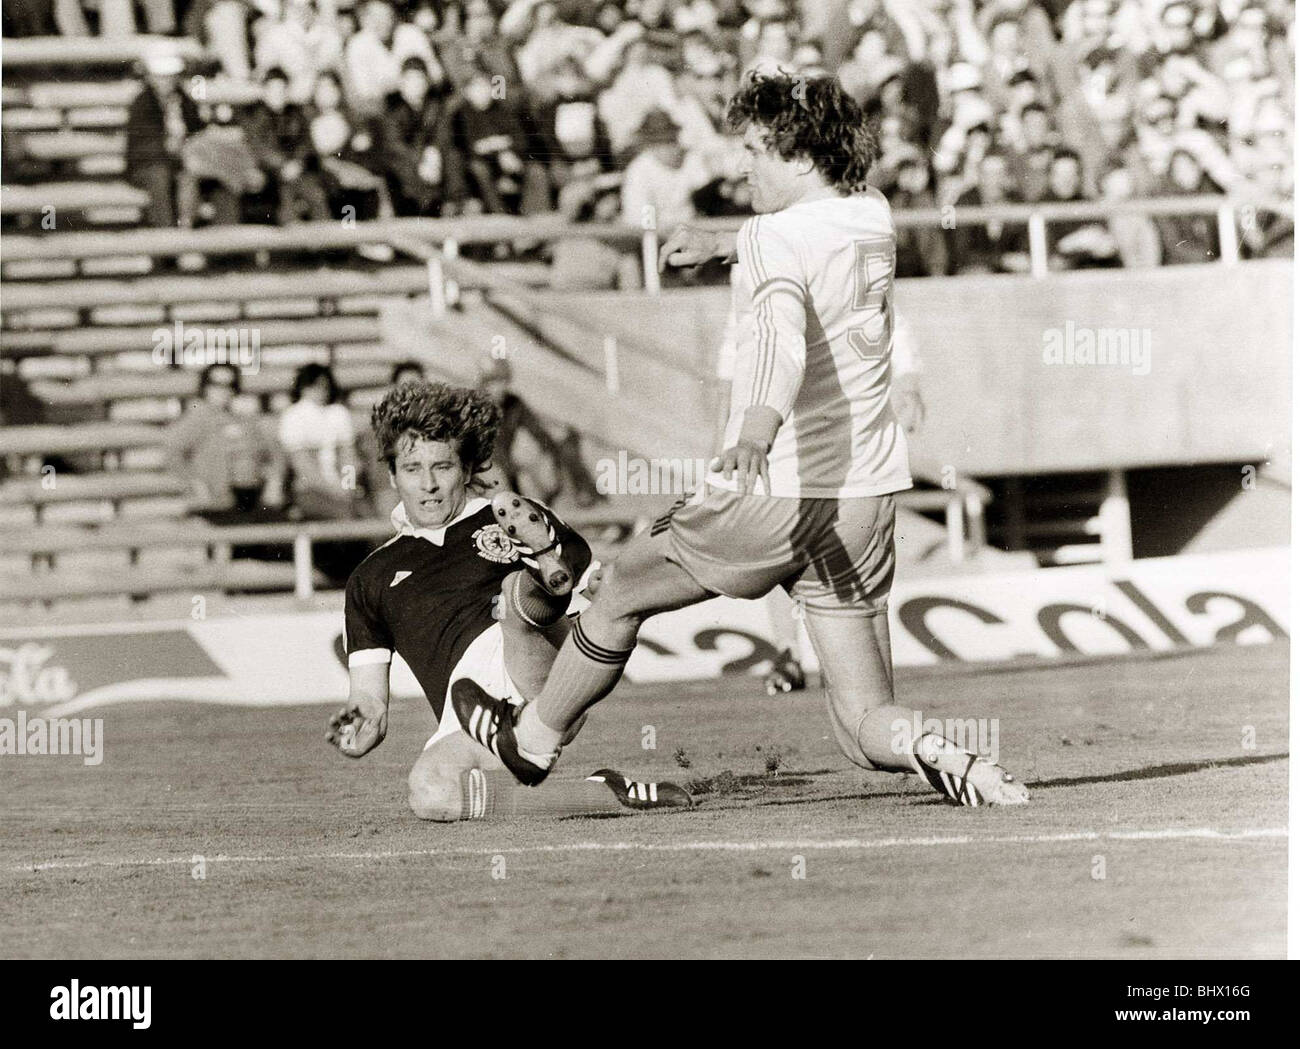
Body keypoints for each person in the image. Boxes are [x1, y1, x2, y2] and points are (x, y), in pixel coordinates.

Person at [452, 72, 1029, 808]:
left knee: (622, 585)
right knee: (861, 727)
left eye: (755, 150)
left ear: (800, 155)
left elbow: (782, 339)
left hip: (780, 491)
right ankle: (934, 746)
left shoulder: (771, 238)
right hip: (865, 500)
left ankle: (530, 742)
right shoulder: (871, 212)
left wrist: (756, 427)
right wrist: (723, 240)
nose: (740, 165)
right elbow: (804, 241)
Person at [325, 380, 691, 820]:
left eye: (442, 467)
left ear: (465, 469)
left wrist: (556, 562)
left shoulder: (506, 514)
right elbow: (368, 698)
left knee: (513, 597)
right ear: (392, 475)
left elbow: (584, 566)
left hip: (549, 672)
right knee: (431, 794)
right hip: (478, 718)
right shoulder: (371, 577)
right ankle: (602, 793)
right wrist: (360, 725)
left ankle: (540, 566)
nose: (429, 484)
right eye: (412, 469)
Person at [164, 362, 286, 521]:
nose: (223, 391)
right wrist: (196, 484)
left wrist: (274, 481)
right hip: (216, 502)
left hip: (251, 497)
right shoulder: (195, 419)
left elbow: (273, 453)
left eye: (229, 385)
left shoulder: (245, 420)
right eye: (216, 384)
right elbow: (172, 454)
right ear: (205, 387)